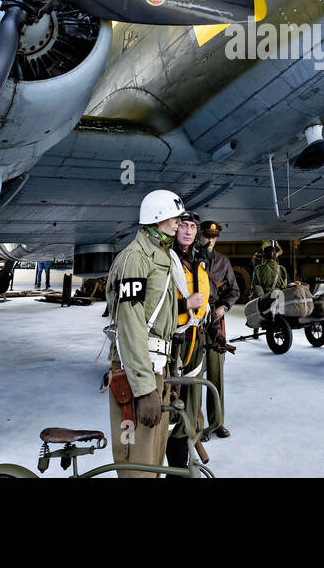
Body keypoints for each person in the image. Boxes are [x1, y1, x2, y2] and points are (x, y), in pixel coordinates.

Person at [103, 189, 187, 478]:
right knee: (136, 466)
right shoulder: (136, 259)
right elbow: (130, 325)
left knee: (152, 462)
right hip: (137, 372)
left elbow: (165, 325)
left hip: (157, 370)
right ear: (156, 218)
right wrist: (144, 389)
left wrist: (168, 375)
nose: (178, 223)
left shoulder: (163, 258)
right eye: (173, 218)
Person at [165, 211, 210, 475]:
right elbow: (154, 304)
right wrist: (185, 304)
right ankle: (174, 465)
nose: (189, 231)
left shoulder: (198, 260)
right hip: (175, 340)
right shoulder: (165, 259)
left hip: (196, 339)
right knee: (172, 405)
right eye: (183, 225)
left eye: (193, 227)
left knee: (191, 405)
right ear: (175, 228)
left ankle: (183, 460)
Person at [201, 220, 238, 438]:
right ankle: (195, 425)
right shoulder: (192, 258)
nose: (210, 239)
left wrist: (224, 307)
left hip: (215, 322)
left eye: (213, 236)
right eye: (206, 235)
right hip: (194, 321)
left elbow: (234, 290)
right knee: (193, 375)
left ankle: (216, 423)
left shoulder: (223, 261)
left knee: (216, 375)